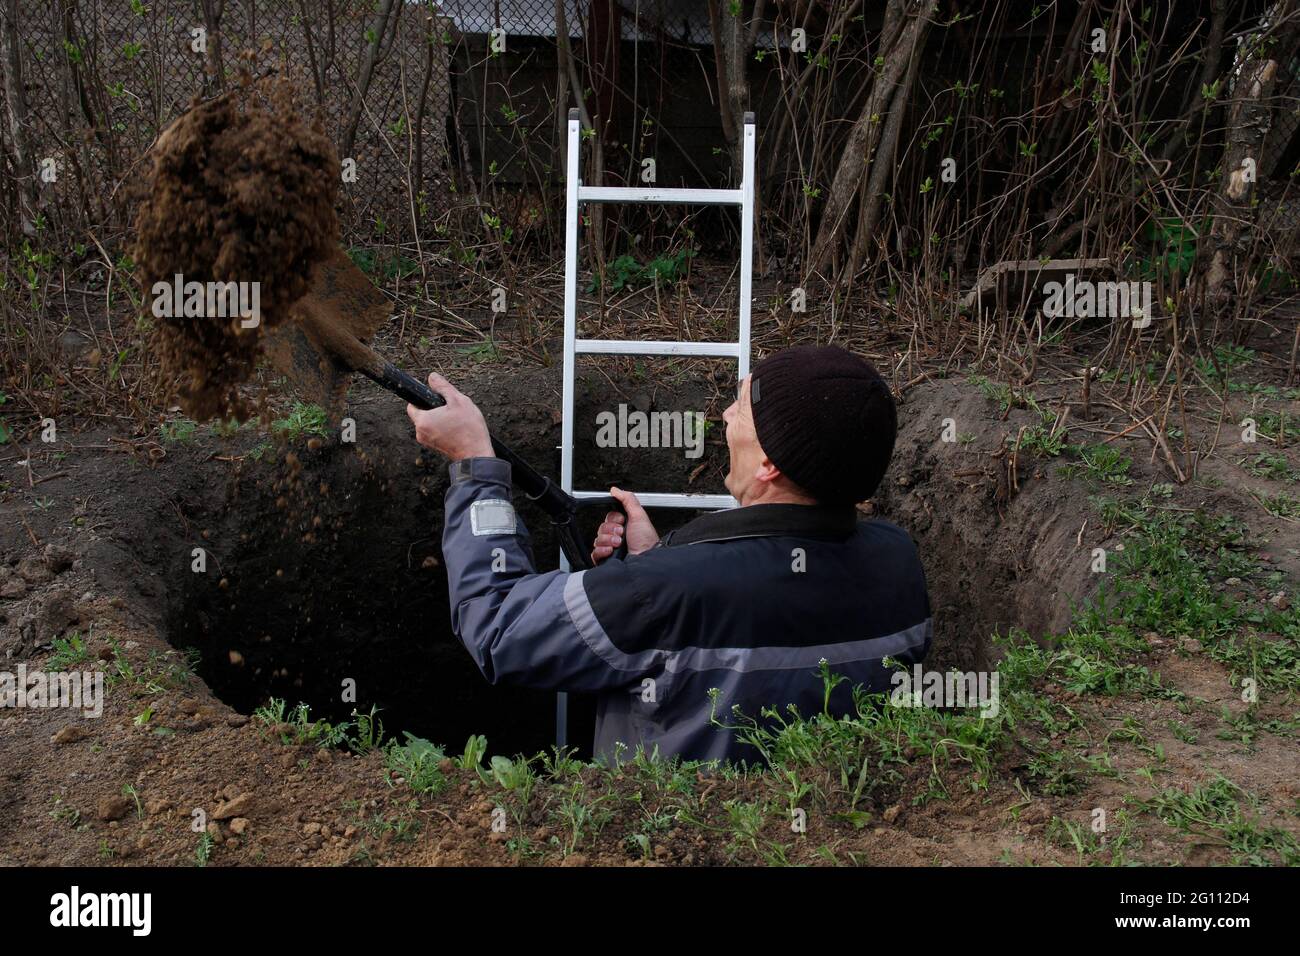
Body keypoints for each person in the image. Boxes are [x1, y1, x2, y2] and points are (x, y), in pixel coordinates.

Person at [407, 344, 931, 764]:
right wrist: (659, 556)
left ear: (769, 465)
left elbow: (498, 626)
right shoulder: (899, 564)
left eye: (742, 406)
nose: (726, 413)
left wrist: (474, 464)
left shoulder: (665, 591)